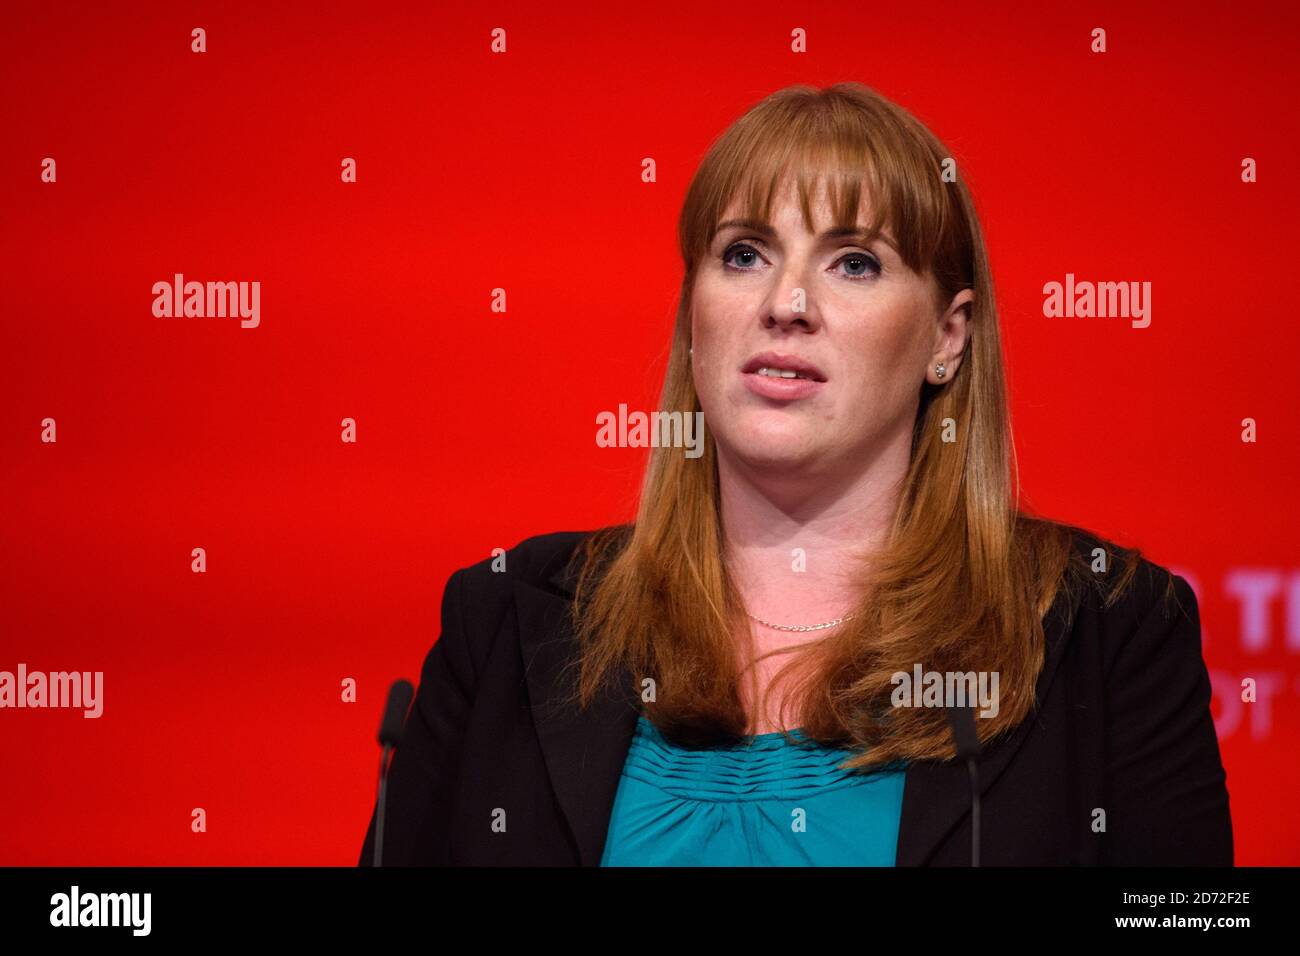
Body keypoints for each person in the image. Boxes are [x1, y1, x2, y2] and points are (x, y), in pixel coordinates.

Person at [359, 82, 1232, 866]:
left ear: (947, 337)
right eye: (744, 254)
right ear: (695, 313)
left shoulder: (1104, 629)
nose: (787, 303)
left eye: (854, 263)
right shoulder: (509, 622)